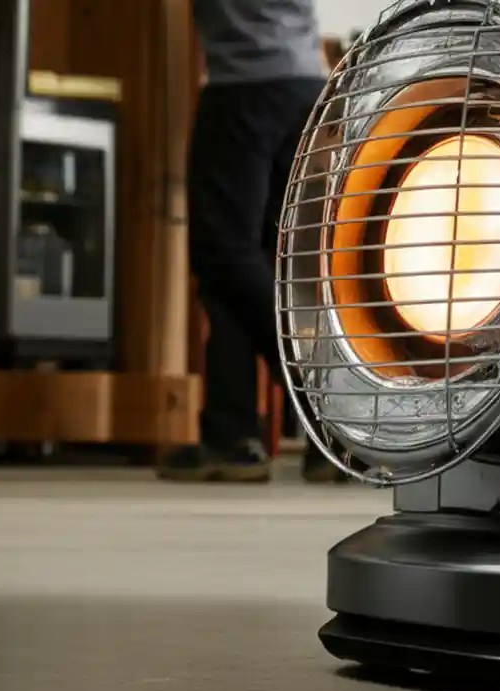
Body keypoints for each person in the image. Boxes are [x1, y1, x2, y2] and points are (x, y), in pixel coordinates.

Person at [159, 0, 337, 483]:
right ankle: (231, 435)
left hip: (245, 86)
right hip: (304, 83)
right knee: (265, 267)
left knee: (226, 259)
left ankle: (328, 406)